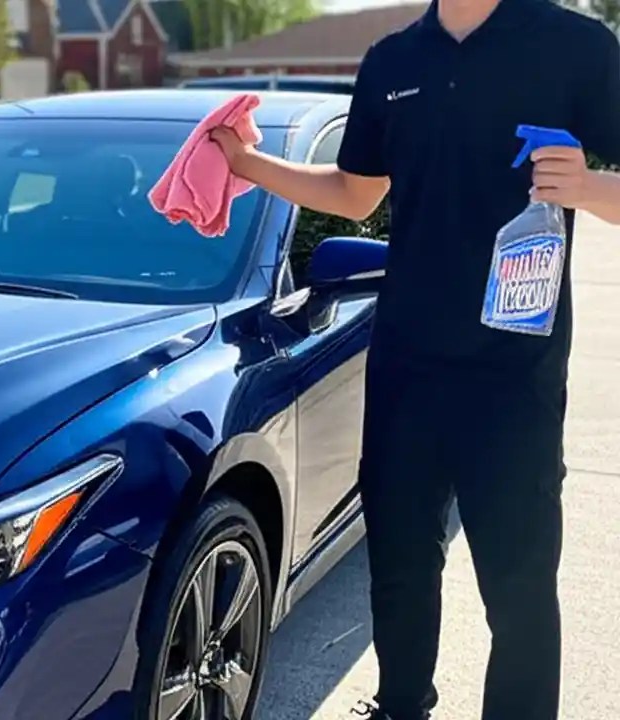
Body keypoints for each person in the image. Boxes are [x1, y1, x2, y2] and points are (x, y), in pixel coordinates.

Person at [209, 0, 620, 718]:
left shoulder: (575, 45)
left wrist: (587, 187)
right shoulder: (392, 61)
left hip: (515, 379)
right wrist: (247, 163)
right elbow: (355, 192)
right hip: (405, 368)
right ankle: (401, 707)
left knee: (518, 593)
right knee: (399, 572)